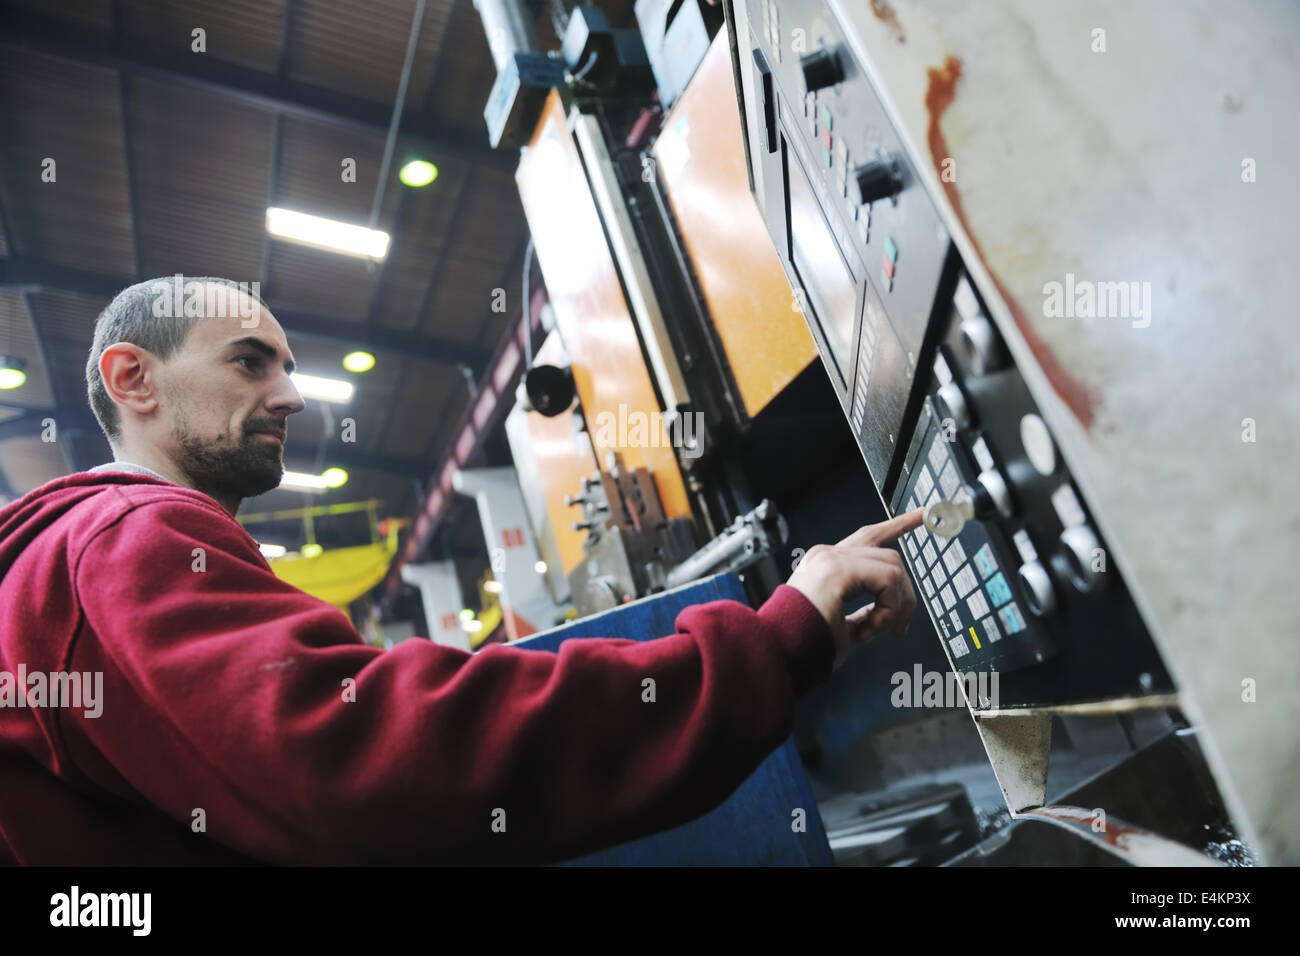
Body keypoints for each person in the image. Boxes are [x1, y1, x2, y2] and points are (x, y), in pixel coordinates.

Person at [0, 276, 920, 864]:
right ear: (133, 380)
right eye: (249, 362)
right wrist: (781, 636)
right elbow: (376, 761)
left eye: (287, 365)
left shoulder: (66, 559)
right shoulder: (128, 540)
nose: (290, 394)